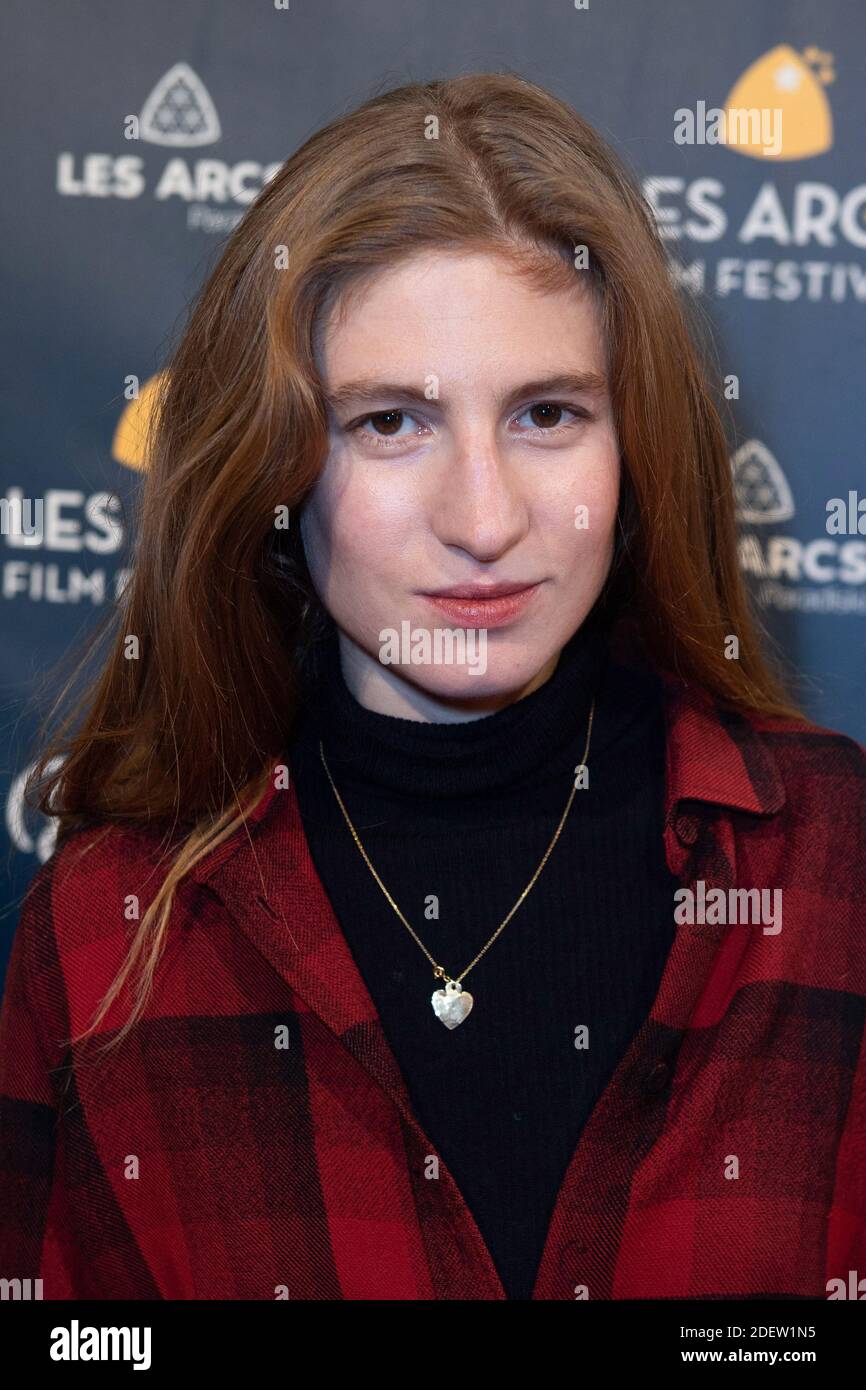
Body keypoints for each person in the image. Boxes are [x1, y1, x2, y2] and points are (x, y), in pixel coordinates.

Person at [1, 72, 864, 1302]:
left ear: (636, 451)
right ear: (273, 468)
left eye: (547, 413)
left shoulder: (829, 862)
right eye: (391, 423)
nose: (482, 518)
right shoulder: (110, 928)